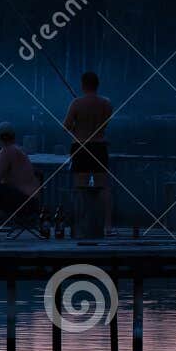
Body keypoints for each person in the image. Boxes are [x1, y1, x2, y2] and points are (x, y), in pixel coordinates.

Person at [63, 70, 114, 234]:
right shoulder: (106, 103)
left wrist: (79, 126)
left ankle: (80, 223)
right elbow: (104, 125)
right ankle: (107, 225)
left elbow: (66, 126)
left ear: (83, 85)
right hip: (99, 146)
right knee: (103, 186)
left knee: (80, 186)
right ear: (97, 85)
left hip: (81, 146)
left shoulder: (76, 103)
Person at [0, 122, 39, 241]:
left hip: (26, 202)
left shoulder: (8, 151)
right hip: (29, 201)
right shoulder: (17, 149)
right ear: (14, 136)